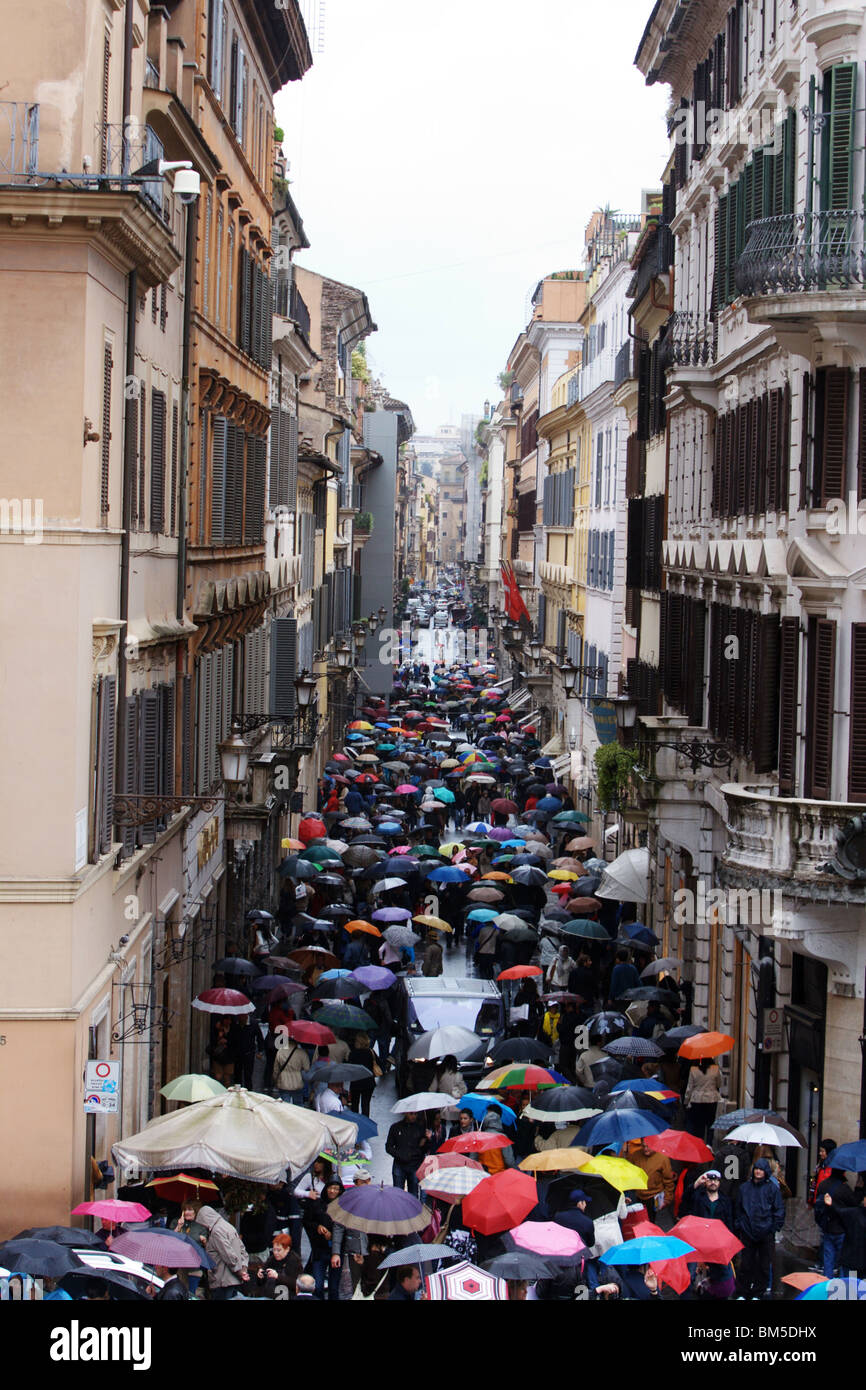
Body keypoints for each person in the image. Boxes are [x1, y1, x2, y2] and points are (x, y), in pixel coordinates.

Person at [733, 1158, 786, 1299]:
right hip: (747, 1231)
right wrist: (740, 1224)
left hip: (765, 1232)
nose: (758, 1171)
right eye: (756, 1168)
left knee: (763, 1265)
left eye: (761, 1169)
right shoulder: (744, 1188)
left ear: (765, 1172)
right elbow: (738, 1208)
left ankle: (758, 1292)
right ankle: (742, 1292)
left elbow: (779, 1210)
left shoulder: (772, 1189)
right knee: (746, 1264)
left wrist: (773, 1228)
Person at [195, 1204, 250, 1300]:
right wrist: (243, 1269)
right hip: (233, 1280)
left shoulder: (216, 1231)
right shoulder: (228, 1226)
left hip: (222, 1281)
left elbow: (228, 1254)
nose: (203, 1226)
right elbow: (243, 1251)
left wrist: (239, 1271)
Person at [331, 1173, 371, 1300]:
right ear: (357, 1182)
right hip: (355, 1250)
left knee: (372, 1284)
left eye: (368, 1180)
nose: (367, 1183)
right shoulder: (347, 1199)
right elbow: (338, 1227)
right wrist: (336, 1253)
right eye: (364, 1181)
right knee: (355, 1286)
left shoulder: (375, 1198)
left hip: (372, 1250)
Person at [303, 1178, 344, 1299]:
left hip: (336, 1251)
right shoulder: (317, 1204)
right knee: (318, 1285)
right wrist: (317, 1227)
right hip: (319, 1250)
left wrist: (333, 1235)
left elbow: (345, 1228)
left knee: (333, 1287)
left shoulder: (344, 1207)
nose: (332, 1191)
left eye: (336, 1189)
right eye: (330, 1188)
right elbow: (306, 1221)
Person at [814, 1167, 856, 1277]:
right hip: (841, 1228)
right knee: (843, 1261)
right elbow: (854, 1203)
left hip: (827, 1226)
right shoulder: (844, 1189)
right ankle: (842, 1288)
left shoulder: (823, 1185)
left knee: (828, 1261)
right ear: (843, 1172)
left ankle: (827, 1286)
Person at [823, 1181, 866, 1280]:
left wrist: (831, 1204)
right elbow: (839, 1211)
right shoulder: (854, 1213)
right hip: (855, 1262)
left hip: (851, 1261)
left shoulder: (854, 1213)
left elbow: (839, 1212)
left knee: (849, 1290)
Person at [627, 1137, 676, 1219]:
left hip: (654, 1197)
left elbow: (668, 1181)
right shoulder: (636, 1155)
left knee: (652, 1222)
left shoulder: (663, 1158)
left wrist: (667, 1199)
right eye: (643, 1146)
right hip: (639, 1195)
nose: (646, 1149)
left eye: (648, 1146)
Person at [386, 1111, 430, 1195]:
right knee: (397, 1194)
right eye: (411, 1114)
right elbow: (388, 1147)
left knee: (413, 1194)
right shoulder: (395, 1127)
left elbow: (424, 1149)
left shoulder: (420, 1128)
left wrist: (428, 1140)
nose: (413, 1116)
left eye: (415, 1114)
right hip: (399, 1165)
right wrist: (400, 1155)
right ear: (406, 1113)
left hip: (415, 1165)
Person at [254, 1231, 303, 1299]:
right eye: (274, 1250)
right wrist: (260, 1276)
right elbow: (260, 1283)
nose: (276, 1253)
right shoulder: (272, 1259)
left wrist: (278, 1276)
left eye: (279, 1250)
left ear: (287, 1249)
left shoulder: (294, 1260)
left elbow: (296, 1284)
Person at [683, 1058, 722, 1140]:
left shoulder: (693, 1070)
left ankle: (699, 1142)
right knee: (710, 1123)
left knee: (698, 1124)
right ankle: (709, 1144)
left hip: (697, 1100)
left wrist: (686, 1101)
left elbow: (689, 1088)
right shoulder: (715, 1069)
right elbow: (719, 1084)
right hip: (712, 1099)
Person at [272, 1033, 310, 1104]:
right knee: (298, 1105)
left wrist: (275, 1080)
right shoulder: (302, 1053)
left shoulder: (280, 1052)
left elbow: (276, 1069)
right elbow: (307, 1068)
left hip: (283, 1082)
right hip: (297, 1083)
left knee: (285, 1105)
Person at [347, 1032, 377, 1117]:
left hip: (356, 1082)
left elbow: (349, 1066)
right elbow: (379, 1063)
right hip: (368, 1082)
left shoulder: (353, 1053)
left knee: (355, 1105)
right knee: (366, 1105)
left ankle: (355, 1123)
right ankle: (366, 1123)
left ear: (359, 1042)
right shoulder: (371, 1052)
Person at [807, 1138, 836, 1207]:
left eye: (822, 1151)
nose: (820, 1153)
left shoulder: (834, 1168)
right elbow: (814, 1181)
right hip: (818, 1199)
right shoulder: (821, 1164)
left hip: (826, 1202)